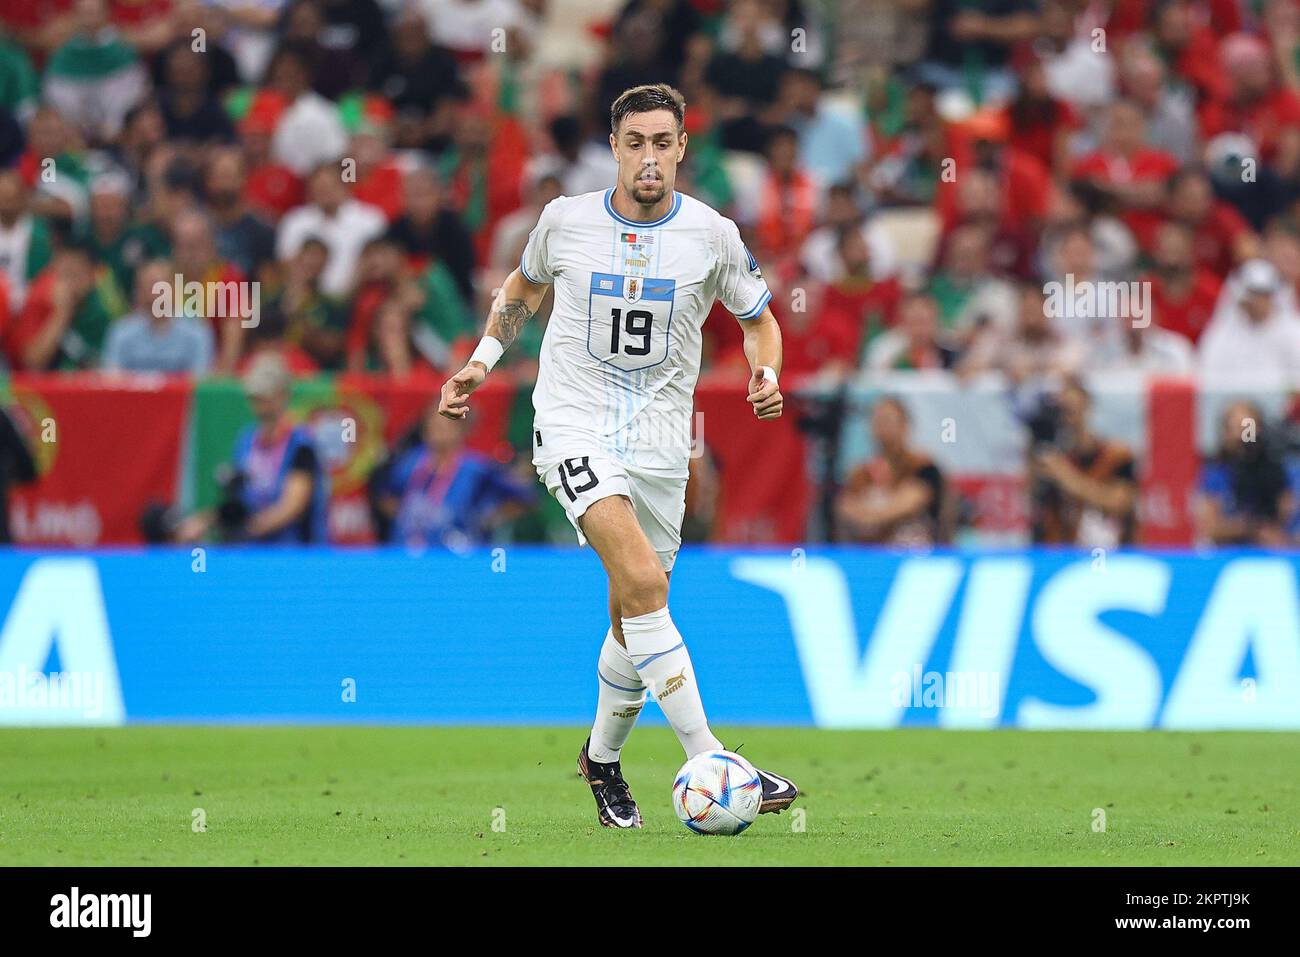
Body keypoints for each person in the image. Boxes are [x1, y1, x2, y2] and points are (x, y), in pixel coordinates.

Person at [436, 83, 798, 829]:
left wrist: (766, 372)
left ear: (682, 148)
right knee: (640, 580)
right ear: (615, 147)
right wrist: (482, 358)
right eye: (636, 142)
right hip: (573, 425)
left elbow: (760, 319)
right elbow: (523, 287)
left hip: (664, 444)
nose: (650, 158)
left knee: (634, 611)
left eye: (663, 143)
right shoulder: (565, 222)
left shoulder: (711, 234)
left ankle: (601, 760)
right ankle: (715, 759)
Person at [176, 353, 329, 544]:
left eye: (264, 397)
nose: (258, 405)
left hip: (294, 552)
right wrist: (205, 521)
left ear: (283, 395)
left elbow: (292, 506)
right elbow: (239, 502)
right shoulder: (247, 440)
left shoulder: (301, 444)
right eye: (254, 398)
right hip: (253, 548)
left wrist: (246, 529)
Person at [375, 403, 534, 549]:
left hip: (458, 556)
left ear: (462, 429)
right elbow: (386, 494)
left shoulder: (475, 469)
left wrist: (487, 520)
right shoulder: (410, 462)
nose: (437, 429)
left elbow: (523, 497)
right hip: (407, 553)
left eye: (445, 425)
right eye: (433, 424)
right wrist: (410, 517)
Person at [1028, 376, 1138, 548]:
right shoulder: (1055, 459)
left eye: (1073, 409)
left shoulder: (1116, 455)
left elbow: (1119, 503)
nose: (1069, 417)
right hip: (1066, 551)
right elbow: (1038, 506)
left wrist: (1066, 477)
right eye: (1063, 410)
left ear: (1087, 406)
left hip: (1110, 554)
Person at [834, 396, 947, 546]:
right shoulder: (860, 472)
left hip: (913, 554)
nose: (883, 427)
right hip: (869, 553)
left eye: (888, 420)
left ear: (905, 426)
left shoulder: (923, 466)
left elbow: (909, 503)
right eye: (878, 421)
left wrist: (868, 515)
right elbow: (844, 507)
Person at [1196, 400, 1294, 546]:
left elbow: (1286, 516)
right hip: (1229, 554)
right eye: (1235, 428)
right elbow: (1210, 527)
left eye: (1248, 429)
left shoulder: (1280, 471)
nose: (1241, 436)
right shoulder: (1216, 474)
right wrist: (1249, 528)